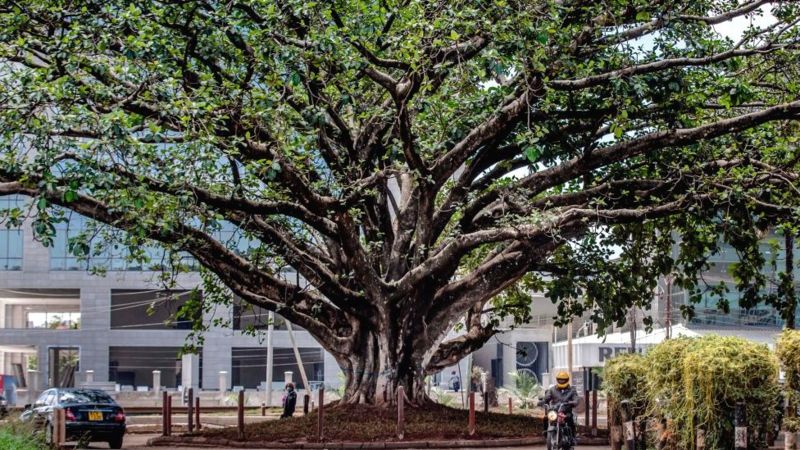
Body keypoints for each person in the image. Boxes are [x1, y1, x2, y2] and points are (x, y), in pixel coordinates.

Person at [543, 371, 579, 444]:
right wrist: (543, 401)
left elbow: (576, 398)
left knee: (570, 420)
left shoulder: (572, 390)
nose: (562, 381)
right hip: (554, 410)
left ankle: (573, 437)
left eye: (563, 379)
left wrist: (574, 402)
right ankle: (546, 434)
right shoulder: (552, 389)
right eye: (560, 379)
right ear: (557, 379)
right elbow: (547, 398)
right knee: (546, 418)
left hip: (566, 411)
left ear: (567, 380)